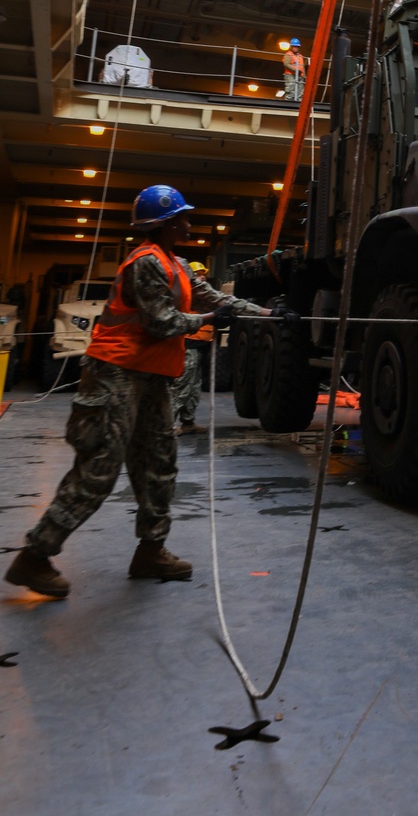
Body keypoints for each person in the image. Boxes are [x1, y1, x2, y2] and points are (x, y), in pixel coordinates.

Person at [3, 186, 273, 599]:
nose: (188, 222)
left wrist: (270, 315)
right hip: (115, 377)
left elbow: (216, 298)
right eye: (182, 217)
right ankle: (34, 556)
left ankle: (151, 550)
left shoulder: (176, 264)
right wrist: (208, 318)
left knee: (159, 464)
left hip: (149, 379)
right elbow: (161, 322)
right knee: (100, 470)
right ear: (164, 224)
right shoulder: (145, 263)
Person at [171, 259, 212, 434]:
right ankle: (167, 425)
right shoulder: (189, 293)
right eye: (198, 274)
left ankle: (188, 422)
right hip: (189, 344)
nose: (202, 278)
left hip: (201, 345)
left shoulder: (203, 293)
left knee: (194, 387)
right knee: (182, 384)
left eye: (203, 275)